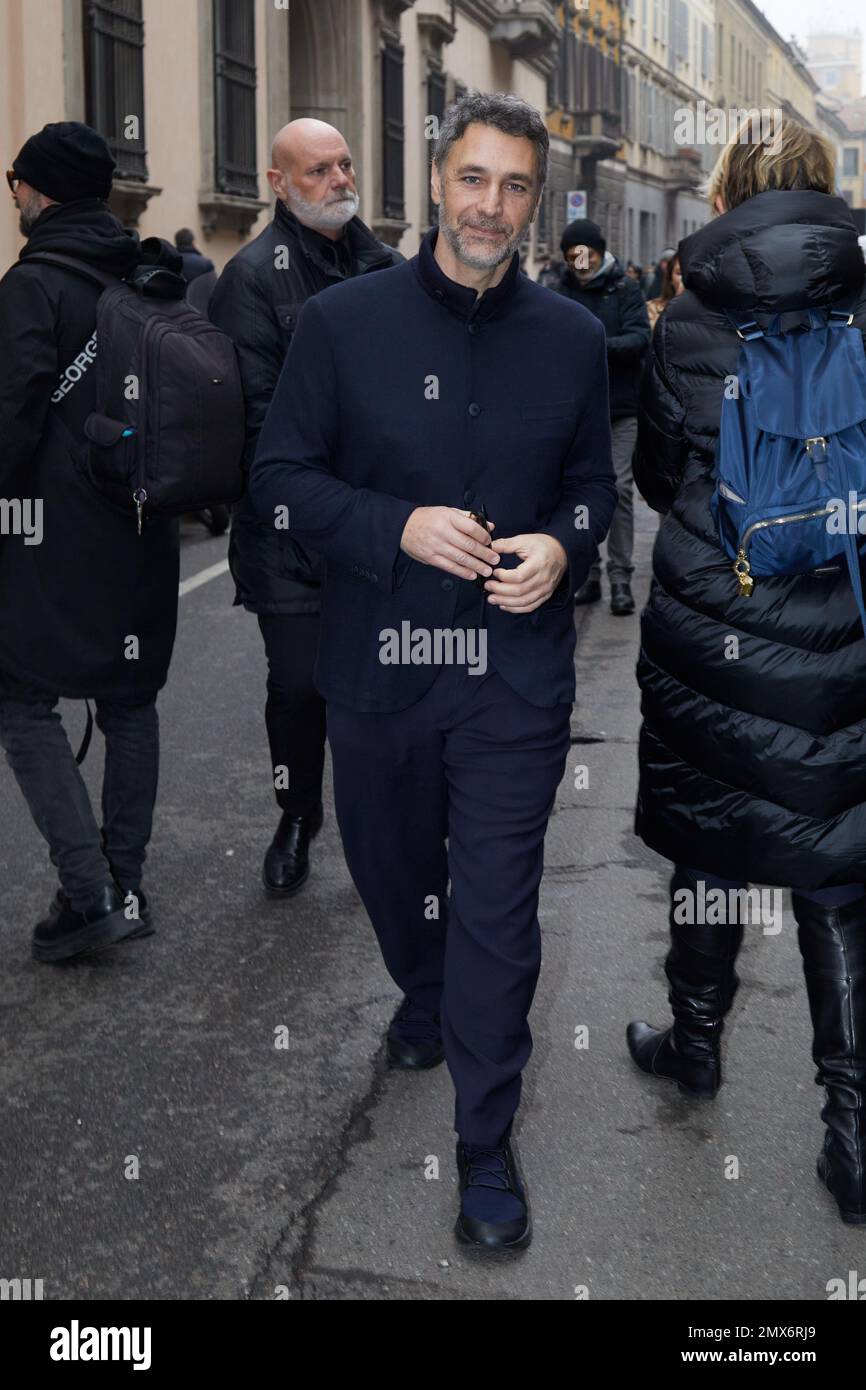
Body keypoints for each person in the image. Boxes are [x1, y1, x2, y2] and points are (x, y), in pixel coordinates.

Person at [250, 92, 616, 1250]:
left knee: (498, 915)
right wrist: (393, 527)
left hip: (513, 678)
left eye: (514, 186)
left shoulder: (568, 336)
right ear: (434, 182)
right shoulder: (343, 324)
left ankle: (481, 1145)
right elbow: (280, 479)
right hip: (377, 668)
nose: (491, 207)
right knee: (399, 882)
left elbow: (593, 489)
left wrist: (563, 545)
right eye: (473, 179)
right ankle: (419, 988)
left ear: (534, 199)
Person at [627, 116, 866, 1225]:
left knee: (711, 840)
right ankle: (850, 1132)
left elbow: (657, 473)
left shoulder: (685, 316)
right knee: (835, 873)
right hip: (845, 628)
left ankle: (694, 1046)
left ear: (726, 184)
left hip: (715, 617)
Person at [0, 122, 180, 961]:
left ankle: (89, 890)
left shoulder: (32, 286)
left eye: (17, 185)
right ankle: (124, 882)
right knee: (129, 700)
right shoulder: (152, 275)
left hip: (50, 536)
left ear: (38, 194)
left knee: (19, 698)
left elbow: (10, 424)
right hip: (144, 526)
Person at [209, 119, 401, 898]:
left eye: (345, 165)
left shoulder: (385, 264)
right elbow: (253, 424)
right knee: (296, 688)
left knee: (378, 683)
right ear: (278, 183)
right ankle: (296, 815)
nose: (339, 180)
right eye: (318, 170)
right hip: (287, 537)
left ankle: (381, 825)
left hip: (380, 527)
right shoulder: (251, 279)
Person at [554, 218, 650, 615]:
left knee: (621, 491)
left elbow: (640, 338)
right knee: (577, 494)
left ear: (599, 252)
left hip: (622, 409)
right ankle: (588, 573)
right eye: (573, 253)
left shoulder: (625, 288)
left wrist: (593, 346)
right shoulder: (557, 291)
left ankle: (621, 577)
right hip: (574, 413)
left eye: (587, 252)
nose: (580, 260)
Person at [645, 252, 683, 331]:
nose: (684, 279)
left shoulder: (708, 310)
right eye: (679, 273)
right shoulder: (652, 308)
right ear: (670, 278)